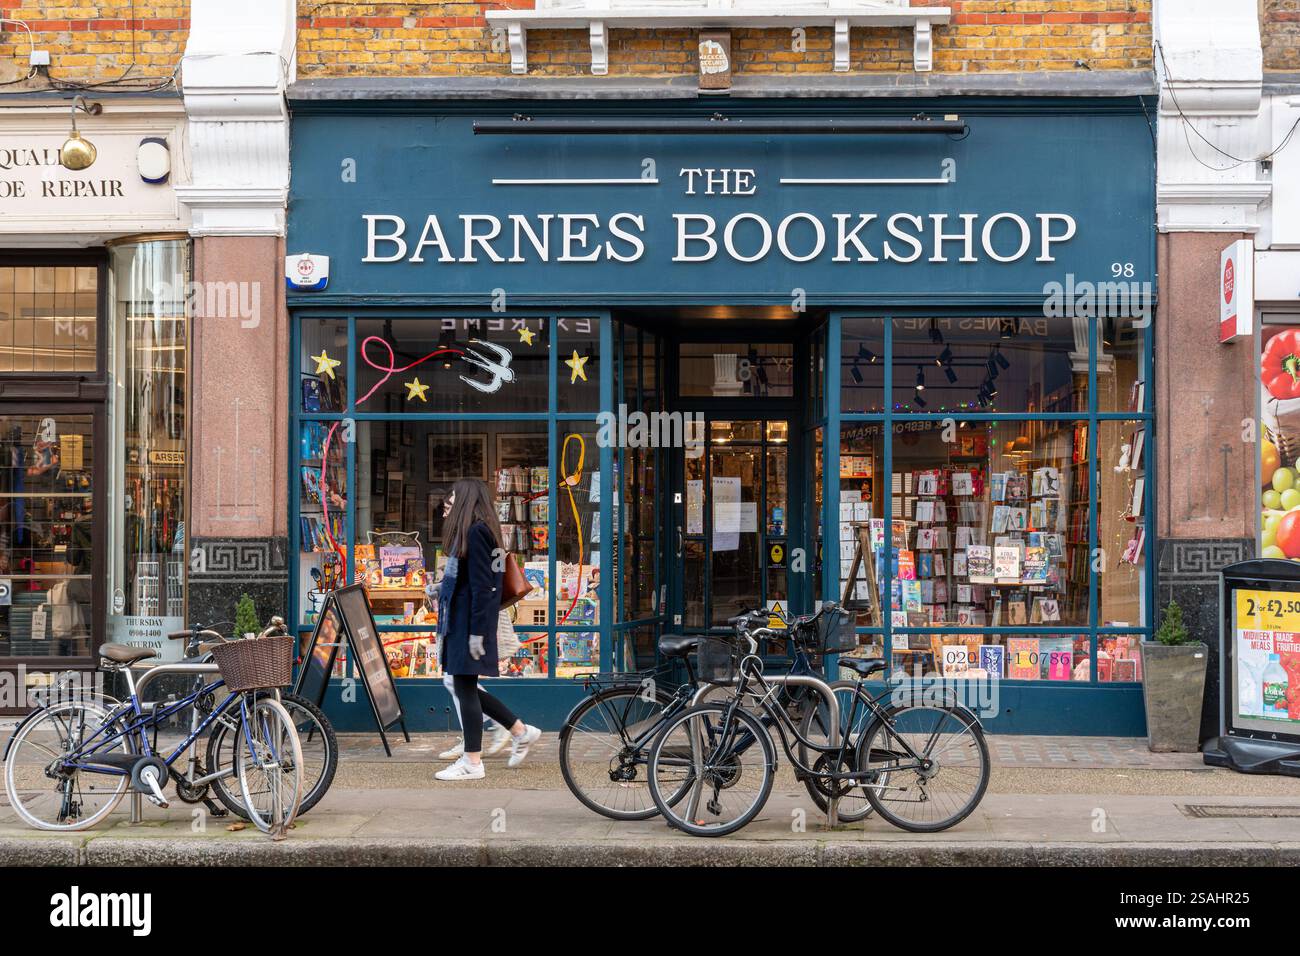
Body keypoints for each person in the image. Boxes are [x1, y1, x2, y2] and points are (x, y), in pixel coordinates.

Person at [434, 478, 540, 781]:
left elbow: (486, 588)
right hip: (465, 621)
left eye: (452, 499)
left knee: (464, 688)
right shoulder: (476, 531)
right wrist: (440, 588)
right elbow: (472, 581)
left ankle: (472, 761)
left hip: (469, 624)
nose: (446, 504)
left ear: (466, 501)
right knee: (465, 687)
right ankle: (520, 731)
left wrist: (479, 633)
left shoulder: (477, 532)